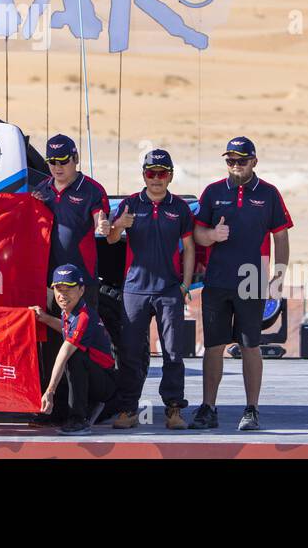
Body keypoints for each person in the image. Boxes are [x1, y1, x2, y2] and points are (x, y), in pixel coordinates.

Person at [189, 137, 292, 432]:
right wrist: (212, 237)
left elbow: (281, 236)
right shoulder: (213, 192)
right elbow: (197, 232)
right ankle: (208, 408)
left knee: (250, 345)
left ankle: (251, 410)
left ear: (254, 162)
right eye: (230, 161)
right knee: (213, 346)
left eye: (241, 161)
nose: (235, 166)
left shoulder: (269, 194)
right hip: (217, 280)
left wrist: (279, 277)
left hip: (253, 279)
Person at [105, 149, 195, 431]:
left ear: (170, 175)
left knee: (173, 352)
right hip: (135, 291)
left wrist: (185, 284)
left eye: (162, 173)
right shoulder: (131, 204)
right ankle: (128, 409)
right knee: (130, 352)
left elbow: (190, 248)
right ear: (143, 174)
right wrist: (119, 225)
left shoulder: (179, 207)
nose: (156, 178)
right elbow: (110, 239)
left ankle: (174, 409)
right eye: (150, 173)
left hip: (169, 290)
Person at [29, 134, 111, 424]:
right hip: (52, 283)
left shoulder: (90, 190)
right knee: (51, 345)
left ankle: (80, 412)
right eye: (52, 161)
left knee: (78, 350)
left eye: (63, 161)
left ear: (75, 159)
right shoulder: (42, 190)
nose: (57, 167)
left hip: (82, 283)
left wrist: (103, 223)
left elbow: (101, 219)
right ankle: (54, 408)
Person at [29, 264, 120, 435]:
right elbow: (66, 329)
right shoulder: (71, 310)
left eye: (69, 289)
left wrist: (49, 391)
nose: (62, 295)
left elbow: (63, 354)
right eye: (58, 289)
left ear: (81, 290)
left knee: (73, 358)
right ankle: (82, 409)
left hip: (106, 387)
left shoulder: (83, 317)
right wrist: (46, 319)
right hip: (98, 379)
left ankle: (79, 419)